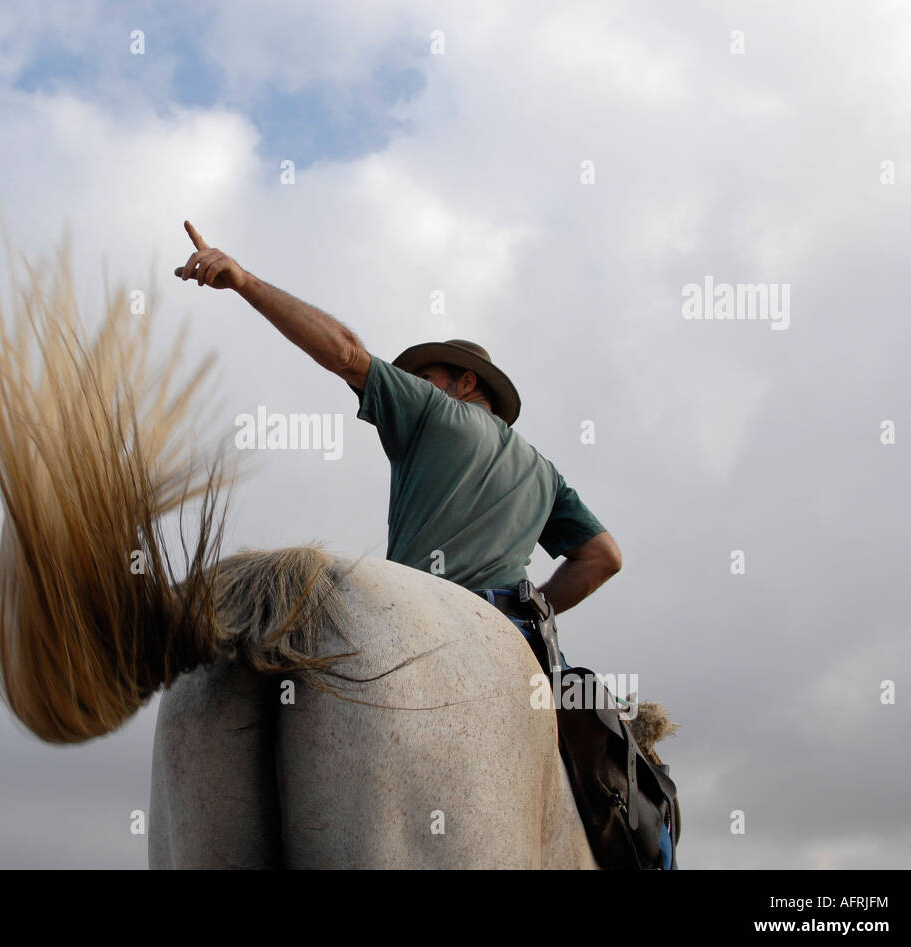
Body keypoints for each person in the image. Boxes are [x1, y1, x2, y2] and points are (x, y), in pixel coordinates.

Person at [174, 222, 673, 869]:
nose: (411, 384)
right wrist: (531, 611)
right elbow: (604, 556)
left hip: (413, 611)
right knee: (632, 800)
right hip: (516, 631)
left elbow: (348, 354)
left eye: (426, 375)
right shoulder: (543, 470)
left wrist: (242, 281)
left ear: (465, 385)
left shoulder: (437, 412)